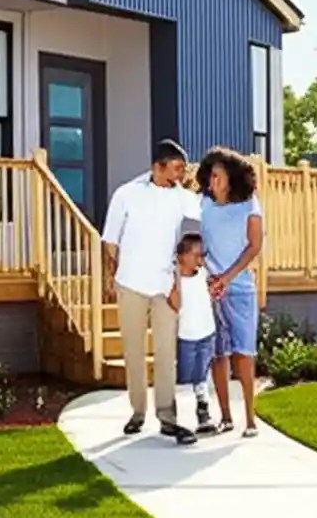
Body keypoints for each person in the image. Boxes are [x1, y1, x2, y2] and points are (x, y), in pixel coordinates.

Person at [101, 139, 202, 445]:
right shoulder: (126, 194)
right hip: (130, 284)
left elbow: (208, 217)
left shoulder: (183, 198)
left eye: (183, 170)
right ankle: (137, 412)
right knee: (133, 351)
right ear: (158, 167)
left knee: (165, 353)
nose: (182, 175)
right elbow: (110, 241)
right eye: (176, 169)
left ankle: (168, 418)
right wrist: (110, 278)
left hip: (164, 287)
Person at [197, 147, 264, 438]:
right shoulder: (202, 205)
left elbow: (254, 245)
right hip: (209, 288)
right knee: (218, 353)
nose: (213, 182)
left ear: (231, 178)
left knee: (244, 353)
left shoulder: (249, 205)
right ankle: (225, 417)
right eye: (210, 176)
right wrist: (207, 276)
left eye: (218, 176)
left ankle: (250, 418)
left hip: (239, 288)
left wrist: (228, 276)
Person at [168, 232, 219, 435]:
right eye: (197, 255)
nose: (201, 259)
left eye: (202, 255)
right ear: (182, 256)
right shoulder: (174, 280)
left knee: (202, 375)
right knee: (184, 377)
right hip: (185, 336)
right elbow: (175, 304)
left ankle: (203, 412)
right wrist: (176, 281)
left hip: (206, 332)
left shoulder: (204, 274)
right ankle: (175, 419)